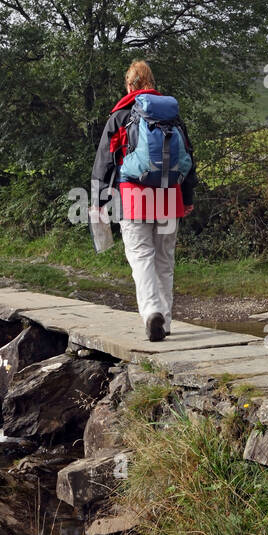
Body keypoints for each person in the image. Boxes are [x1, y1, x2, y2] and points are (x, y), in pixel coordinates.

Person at [91, 60, 197, 342]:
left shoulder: (121, 116)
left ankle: (152, 313)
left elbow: (104, 161)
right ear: (152, 82)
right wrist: (187, 198)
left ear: (129, 85)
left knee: (141, 258)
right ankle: (167, 321)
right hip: (168, 198)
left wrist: (98, 201)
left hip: (134, 199)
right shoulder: (172, 116)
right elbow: (187, 158)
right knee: (165, 260)